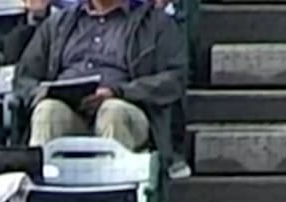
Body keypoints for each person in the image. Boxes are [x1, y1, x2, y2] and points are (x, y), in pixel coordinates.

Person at [13, 0, 186, 159]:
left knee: (113, 111)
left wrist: (118, 92)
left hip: (127, 108)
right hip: (70, 112)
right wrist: (47, 93)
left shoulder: (156, 24)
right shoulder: (58, 24)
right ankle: (42, 181)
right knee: (48, 111)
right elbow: (24, 79)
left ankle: (114, 183)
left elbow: (174, 79)